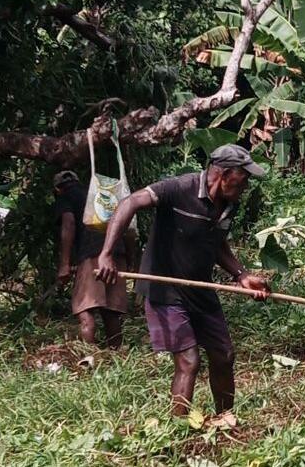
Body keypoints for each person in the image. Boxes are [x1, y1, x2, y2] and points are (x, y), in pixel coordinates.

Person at [95, 144, 271, 417]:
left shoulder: (228, 204)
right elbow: (129, 202)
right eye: (243, 178)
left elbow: (217, 243)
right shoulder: (178, 188)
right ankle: (177, 431)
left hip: (200, 289)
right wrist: (107, 254)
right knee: (189, 361)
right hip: (164, 290)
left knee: (224, 355)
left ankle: (225, 419)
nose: (246, 186)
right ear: (224, 174)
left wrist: (241, 275)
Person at [53, 170, 134, 349]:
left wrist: (65, 264)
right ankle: (115, 356)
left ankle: (89, 357)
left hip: (92, 255)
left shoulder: (66, 197)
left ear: (58, 189)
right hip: (116, 252)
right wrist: (129, 259)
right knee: (111, 311)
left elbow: (69, 223)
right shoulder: (95, 195)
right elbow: (128, 229)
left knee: (84, 308)